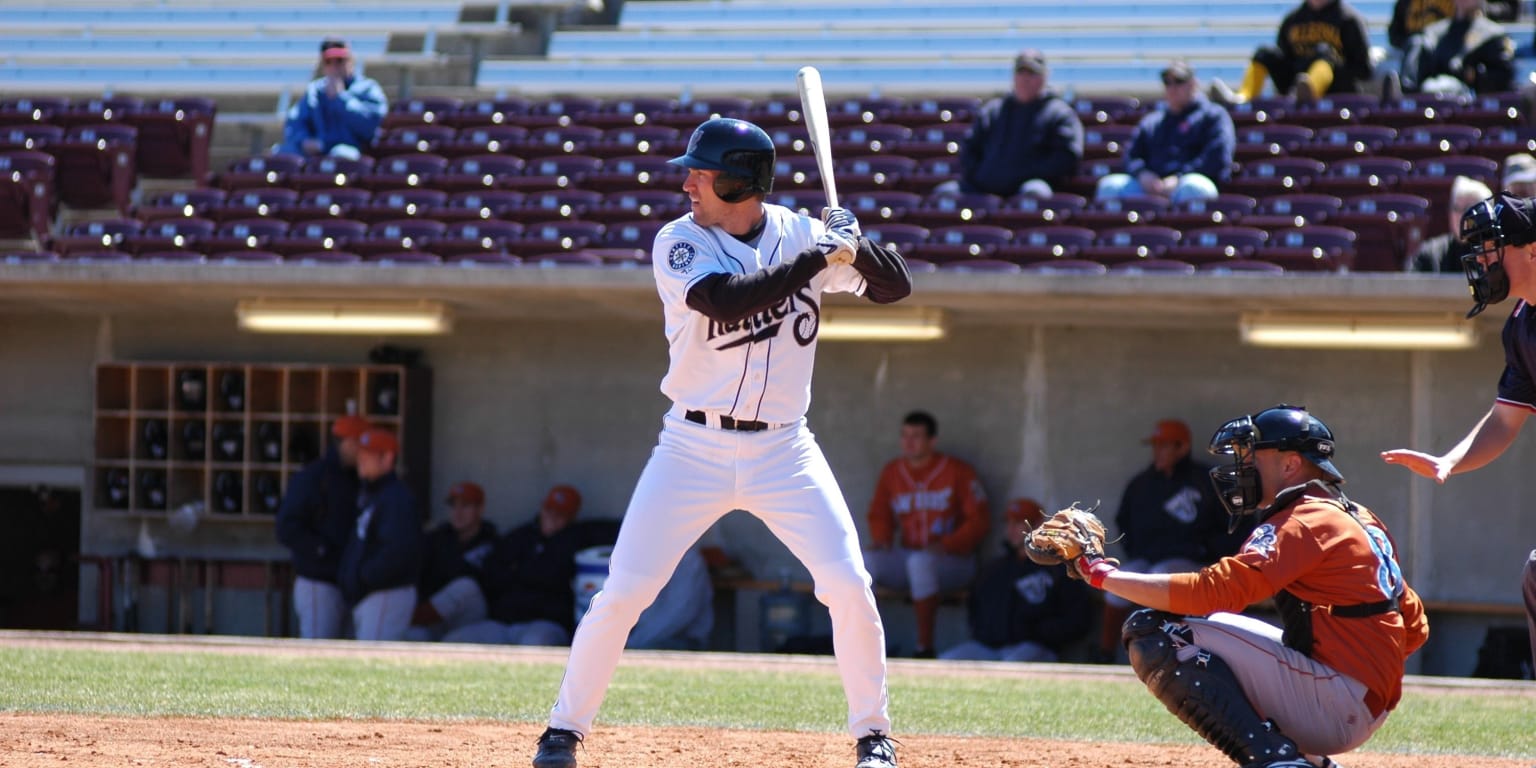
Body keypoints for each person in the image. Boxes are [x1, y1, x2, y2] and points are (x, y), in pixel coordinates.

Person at [530, 116, 911, 768]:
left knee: (848, 582)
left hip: (785, 450)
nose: (686, 185)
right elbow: (727, 302)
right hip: (691, 447)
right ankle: (563, 730)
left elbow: (895, 287)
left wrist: (859, 246)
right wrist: (822, 257)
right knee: (624, 591)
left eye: (700, 175)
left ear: (738, 181)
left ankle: (873, 735)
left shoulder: (800, 233)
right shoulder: (679, 241)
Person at [1076, 405, 1427, 768]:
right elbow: (1415, 627)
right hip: (1360, 699)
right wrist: (1359, 662)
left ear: (1290, 465)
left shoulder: (1303, 519)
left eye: (1252, 456)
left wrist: (1101, 574)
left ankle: (1276, 762)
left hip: (1338, 703)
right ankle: (1308, 760)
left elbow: (1212, 592)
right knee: (1188, 625)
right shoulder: (1358, 516)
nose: (1242, 467)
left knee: (1155, 632)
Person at [1382, 192, 1536, 684]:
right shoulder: (1522, 325)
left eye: (1494, 249)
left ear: (1531, 250)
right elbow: (1505, 419)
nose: (1483, 260)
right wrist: (1450, 459)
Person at [1094, 418, 1245, 662]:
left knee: (1161, 574)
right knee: (1114, 582)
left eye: (1164, 445)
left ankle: (1169, 652)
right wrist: (1138, 550)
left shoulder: (1207, 480)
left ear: (1182, 448)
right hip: (1151, 561)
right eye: (1155, 445)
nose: (1158, 451)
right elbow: (1124, 522)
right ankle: (1103, 653)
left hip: (1198, 562)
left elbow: (1237, 526)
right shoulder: (1142, 484)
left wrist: (1206, 549)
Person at [864, 410, 990, 658]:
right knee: (865, 562)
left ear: (932, 441)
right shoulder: (892, 472)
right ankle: (866, 648)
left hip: (954, 560)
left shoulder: (957, 471)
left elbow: (979, 520)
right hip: (911, 556)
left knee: (920, 563)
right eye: (905, 435)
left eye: (916, 436)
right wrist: (882, 539)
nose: (908, 442)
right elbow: (879, 514)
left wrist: (949, 544)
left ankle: (924, 648)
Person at [939, 498, 1093, 663]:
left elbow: (1078, 619)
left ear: (1039, 525)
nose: (1011, 529)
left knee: (1011, 665)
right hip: (989, 647)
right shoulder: (994, 569)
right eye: (1009, 522)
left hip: (1036, 647)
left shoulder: (1058, 567)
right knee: (946, 661)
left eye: (1018, 522)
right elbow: (974, 608)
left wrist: (1039, 632)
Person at [444, 484, 589, 646]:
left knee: (534, 643)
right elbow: (493, 574)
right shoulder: (520, 537)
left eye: (560, 514)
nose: (552, 516)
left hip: (545, 624)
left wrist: (521, 571)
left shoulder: (579, 541)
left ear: (572, 517)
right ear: (542, 508)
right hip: (503, 623)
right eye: (549, 510)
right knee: (455, 640)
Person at [939, 49, 1083, 198]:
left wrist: (1025, 172)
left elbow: (1066, 156)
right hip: (983, 186)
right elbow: (970, 148)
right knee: (946, 194)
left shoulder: (1059, 113)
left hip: (1028, 186)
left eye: (1032, 73)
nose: (1025, 79)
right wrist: (982, 173)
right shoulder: (993, 110)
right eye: (1021, 72)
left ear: (1044, 77)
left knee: (1035, 193)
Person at [275, 414, 367, 639]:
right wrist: (321, 550)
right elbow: (286, 527)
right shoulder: (315, 476)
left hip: (348, 585)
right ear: (347, 443)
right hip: (318, 582)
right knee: (317, 651)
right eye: (361, 444)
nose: (365, 451)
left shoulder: (361, 479)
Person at [1094, 61, 1234, 204]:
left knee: (1195, 187)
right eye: (1167, 82)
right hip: (1151, 185)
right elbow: (1131, 155)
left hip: (1185, 183)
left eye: (1179, 81)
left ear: (1193, 84)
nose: (1172, 88)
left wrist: (1179, 177)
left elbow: (1217, 157)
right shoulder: (1153, 121)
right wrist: (1142, 173)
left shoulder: (1213, 115)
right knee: (1110, 187)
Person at [336, 428, 421, 641]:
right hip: (371, 594)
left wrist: (363, 578)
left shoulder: (397, 498)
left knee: (373, 663)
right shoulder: (374, 495)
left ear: (387, 458)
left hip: (386, 593)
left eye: (368, 455)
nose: (361, 460)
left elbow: (397, 552)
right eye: (361, 454)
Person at [1208, 0, 1373, 107]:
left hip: (1334, 87)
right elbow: (1283, 55)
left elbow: (1363, 69)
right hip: (1295, 83)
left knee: (1324, 53)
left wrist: (1330, 62)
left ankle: (1308, 93)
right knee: (1265, 53)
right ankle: (1243, 99)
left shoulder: (1349, 19)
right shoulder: (1293, 19)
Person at [405, 481, 498, 642]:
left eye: (465, 506)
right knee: (413, 636)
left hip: (471, 618)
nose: (458, 512)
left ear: (480, 509)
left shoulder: (491, 542)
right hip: (436, 618)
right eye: (453, 506)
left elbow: (489, 585)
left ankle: (406, 619)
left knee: (466, 586)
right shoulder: (437, 538)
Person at [277, 38, 387, 159]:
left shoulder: (367, 88)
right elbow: (294, 122)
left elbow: (370, 124)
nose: (334, 66)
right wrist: (304, 140)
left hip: (352, 150)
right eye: (329, 61)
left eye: (339, 61)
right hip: (318, 149)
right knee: (281, 154)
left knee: (340, 154)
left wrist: (340, 98)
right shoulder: (315, 90)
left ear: (350, 61)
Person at [1401, 0, 1516, 95]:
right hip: (1431, 97)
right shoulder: (1434, 32)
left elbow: (1504, 77)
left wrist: (1472, 75)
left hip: (1470, 102)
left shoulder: (1493, 34)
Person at [626, 543, 715, 650]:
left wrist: (631, 644)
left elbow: (676, 616)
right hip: (642, 637)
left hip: (681, 640)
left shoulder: (688, 560)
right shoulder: (642, 555)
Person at [1409, 174, 1492, 272]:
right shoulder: (1430, 254)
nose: (1460, 216)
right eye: (1456, 208)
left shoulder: (1495, 255)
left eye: (1468, 209)